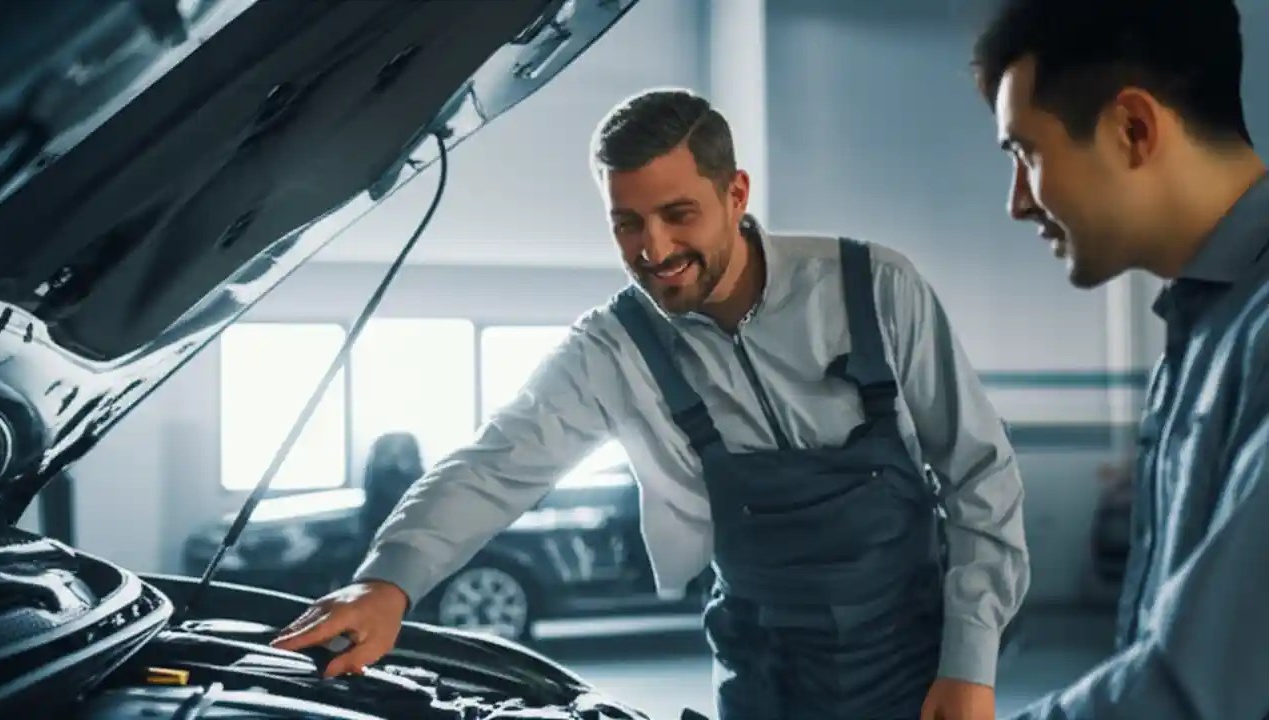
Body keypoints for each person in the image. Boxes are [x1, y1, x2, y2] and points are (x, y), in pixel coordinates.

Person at [272, 88, 1029, 720]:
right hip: (764, 675)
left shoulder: (876, 289)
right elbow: (495, 461)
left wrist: (971, 663)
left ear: (736, 194)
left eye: (678, 214)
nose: (654, 249)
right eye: (626, 223)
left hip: (918, 663)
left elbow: (980, 477)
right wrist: (387, 581)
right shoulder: (613, 348)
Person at [971, 1, 1269, 717]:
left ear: (1133, 130)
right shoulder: (1204, 327)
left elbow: (1196, 690)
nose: (1016, 202)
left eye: (1026, 154)